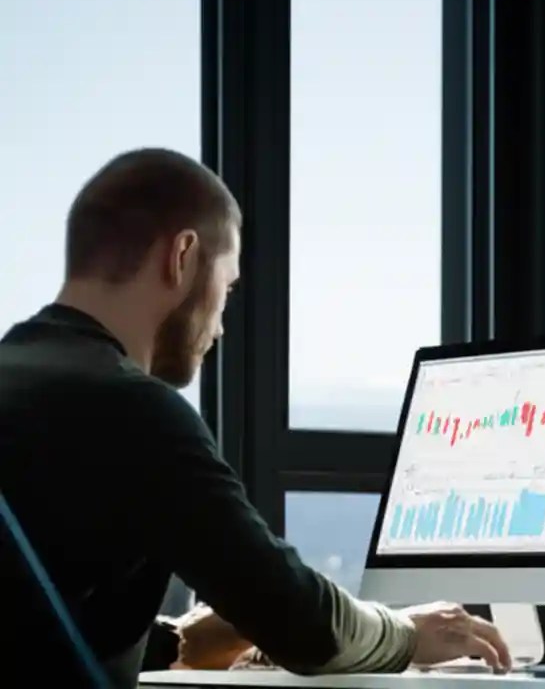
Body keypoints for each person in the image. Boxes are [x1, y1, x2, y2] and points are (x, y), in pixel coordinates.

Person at [0, 148, 511, 687]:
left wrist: (181, 643)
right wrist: (408, 634)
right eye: (229, 287)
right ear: (183, 256)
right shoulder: (134, 410)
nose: (219, 326)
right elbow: (304, 626)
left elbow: (34, 626)